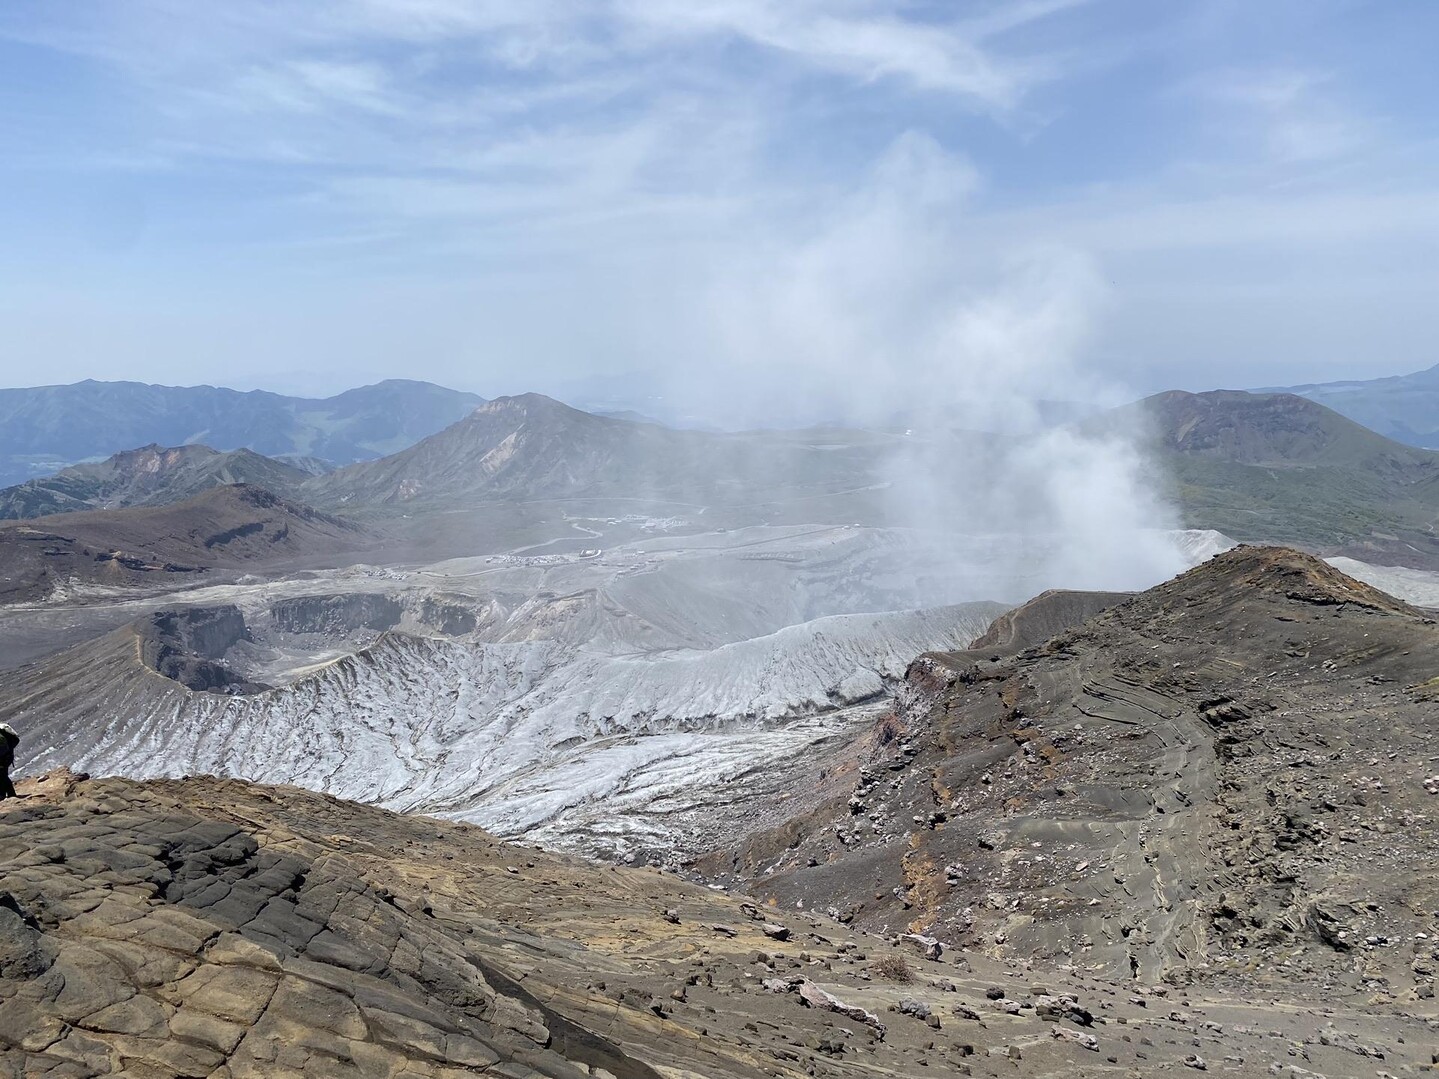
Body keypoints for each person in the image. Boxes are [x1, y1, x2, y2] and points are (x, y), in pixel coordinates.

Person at [0, 722, 18, 800]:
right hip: (7, 756)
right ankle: (9, 794)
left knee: (2, 775)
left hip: (3, 757)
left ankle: (4, 795)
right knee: (3, 775)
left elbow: (3, 748)